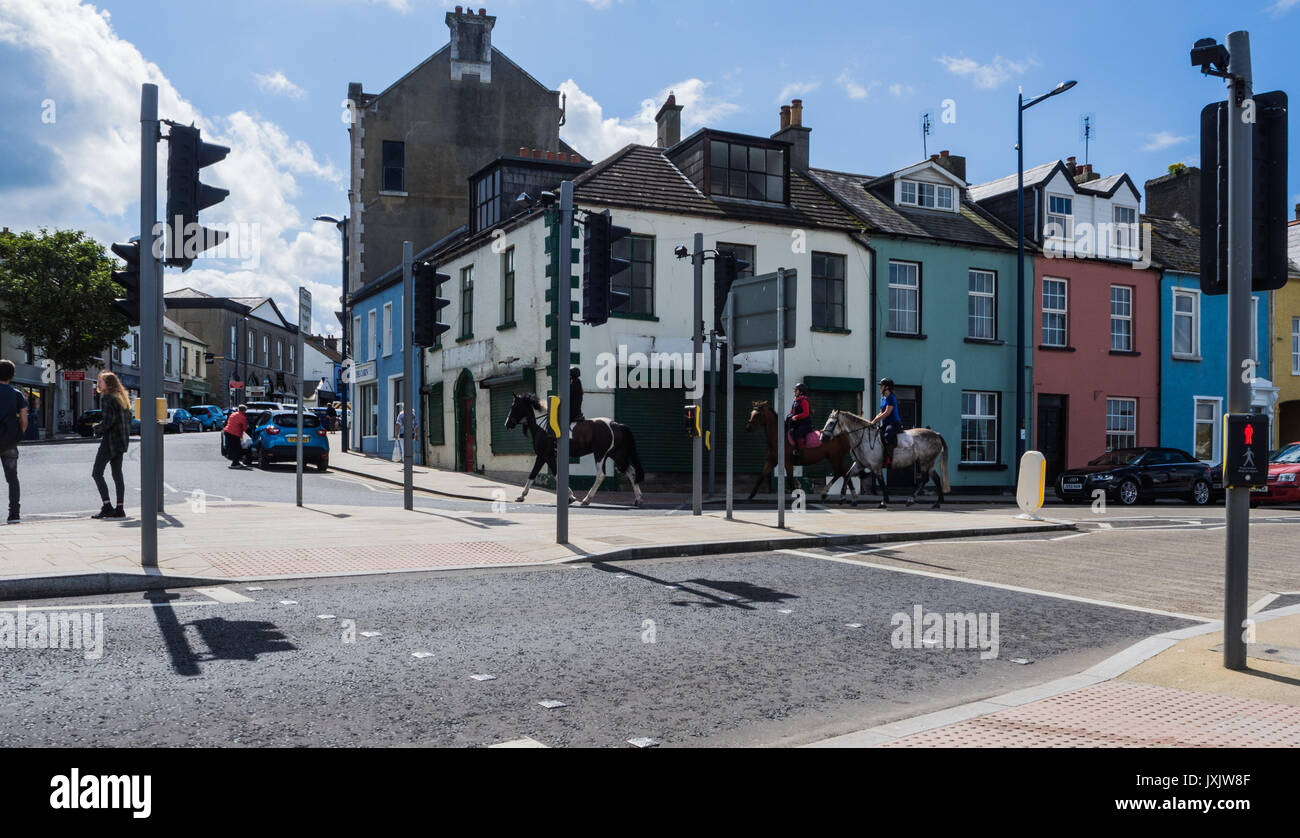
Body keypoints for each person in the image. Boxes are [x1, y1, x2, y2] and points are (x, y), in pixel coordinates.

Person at [90, 372, 130, 519]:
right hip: (121, 441)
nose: (98, 384)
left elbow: (108, 421)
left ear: (109, 384)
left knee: (97, 472)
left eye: (101, 381)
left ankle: (107, 506)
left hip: (110, 441)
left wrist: (96, 429)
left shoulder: (107, 397)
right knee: (117, 474)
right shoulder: (122, 397)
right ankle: (120, 508)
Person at [0, 360, 29, 524]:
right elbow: (24, 420)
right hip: (9, 442)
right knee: (12, 478)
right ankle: (14, 514)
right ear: (11, 375)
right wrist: (18, 434)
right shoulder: (17, 394)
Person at [871, 378, 905, 468]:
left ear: (886, 387)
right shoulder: (883, 398)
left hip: (894, 423)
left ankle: (889, 458)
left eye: (881, 386)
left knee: (887, 435)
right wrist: (873, 421)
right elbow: (881, 412)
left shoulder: (891, 398)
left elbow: (887, 412)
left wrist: (875, 421)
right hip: (885, 424)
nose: (880, 388)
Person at [787, 382, 813, 459]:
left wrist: (796, 417)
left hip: (805, 424)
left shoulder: (804, 401)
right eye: (795, 390)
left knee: (797, 433)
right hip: (798, 423)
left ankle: (800, 451)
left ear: (801, 392)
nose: (794, 391)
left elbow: (806, 413)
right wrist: (789, 416)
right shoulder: (795, 401)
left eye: (796, 390)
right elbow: (792, 412)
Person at [223, 404, 251, 469]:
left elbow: (229, 422)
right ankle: (234, 463)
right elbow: (244, 428)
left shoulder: (233, 414)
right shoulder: (242, 417)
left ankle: (236, 462)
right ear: (244, 411)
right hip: (234, 433)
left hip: (227, 432)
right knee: (237, 448)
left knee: (233, 448)